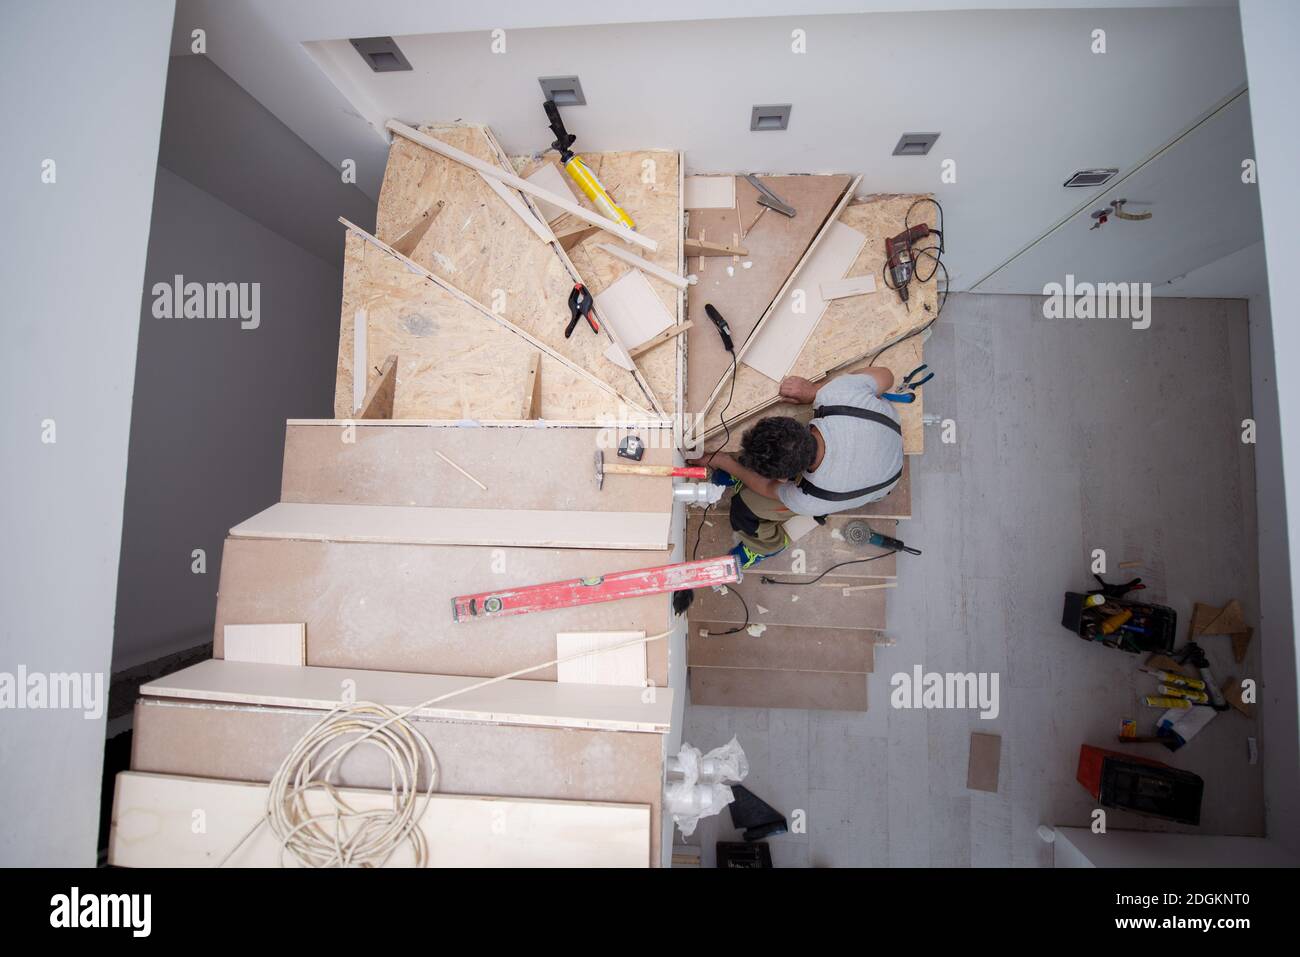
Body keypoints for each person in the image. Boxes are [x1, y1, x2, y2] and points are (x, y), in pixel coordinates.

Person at [688, 365, 904, 569]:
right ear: (792, 424)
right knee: (756, 462)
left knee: (742, 510)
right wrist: (813, 391)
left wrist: (724, 461)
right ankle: (742, 473)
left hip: (881, 482)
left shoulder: (810, 498)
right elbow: (887, 376)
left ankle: (767, 547)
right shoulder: (837, 395)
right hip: (887, 457)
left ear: (784, 479)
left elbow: (766, 488)